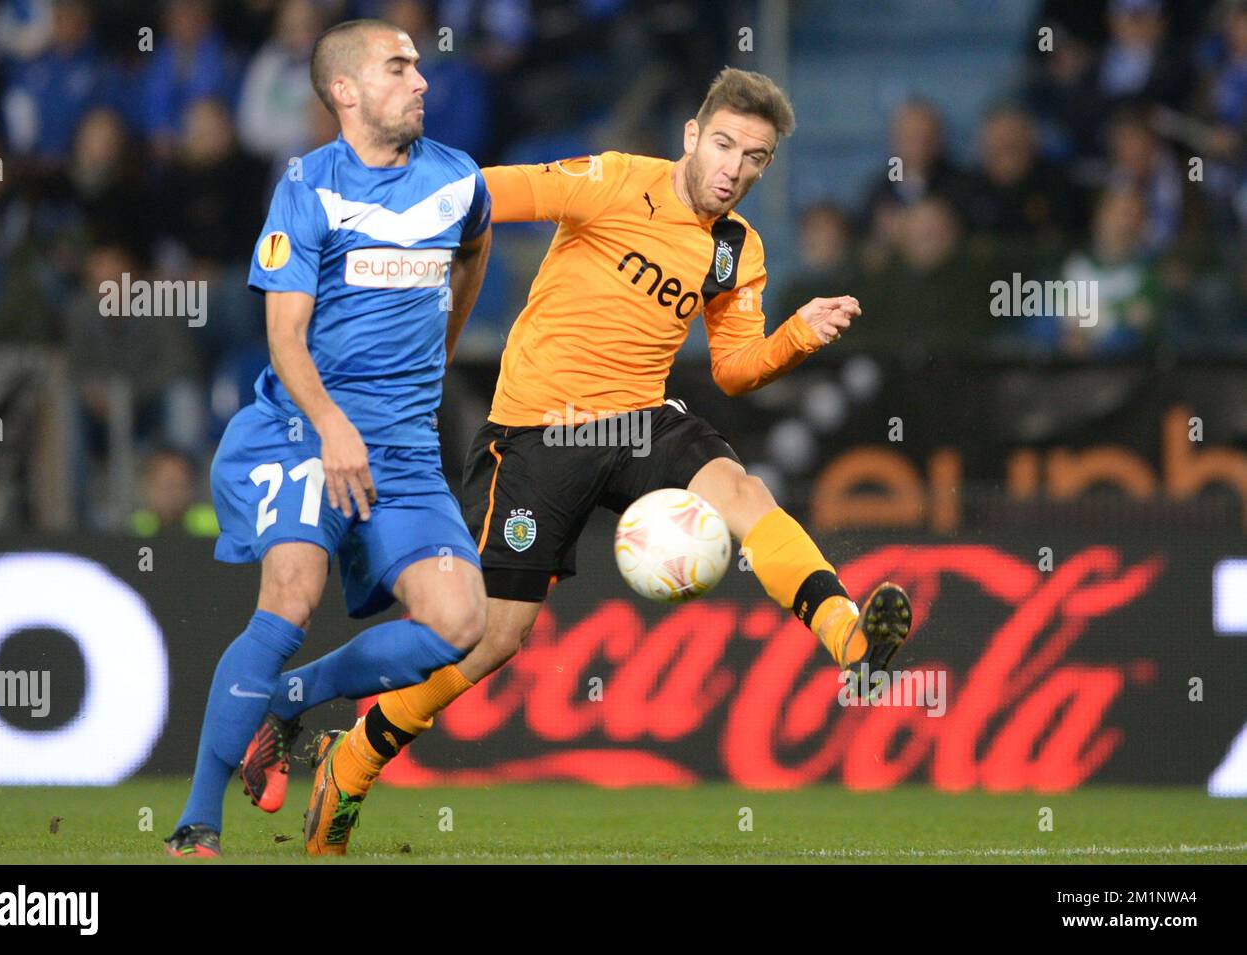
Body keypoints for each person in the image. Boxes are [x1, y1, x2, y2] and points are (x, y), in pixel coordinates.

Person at [245, 67, 916, 856]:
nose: (735, 169)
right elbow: (486, 193)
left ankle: (849, 642)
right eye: (726, 145)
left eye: (756, 158)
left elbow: (734, 368)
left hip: (638, 421)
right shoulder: (614, 181)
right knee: (487, 638)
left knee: (741, 488)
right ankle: (345, 751)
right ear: (693, 137)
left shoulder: (736, 249)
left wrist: (797, 333)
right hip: (536, 436)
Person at [164, 18, 493, 858]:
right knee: (292, 594)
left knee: (462, 621)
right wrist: (333, 424)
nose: (421, 81)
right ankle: (197, 823)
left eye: (419, 66)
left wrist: (442, 351)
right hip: (303, 429)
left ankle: (289, 697)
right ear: (345, 92)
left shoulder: (458, 181)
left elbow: (475, 247)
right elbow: (283, 338)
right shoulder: (308, 185)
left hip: (406, 448)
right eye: (399, 67)